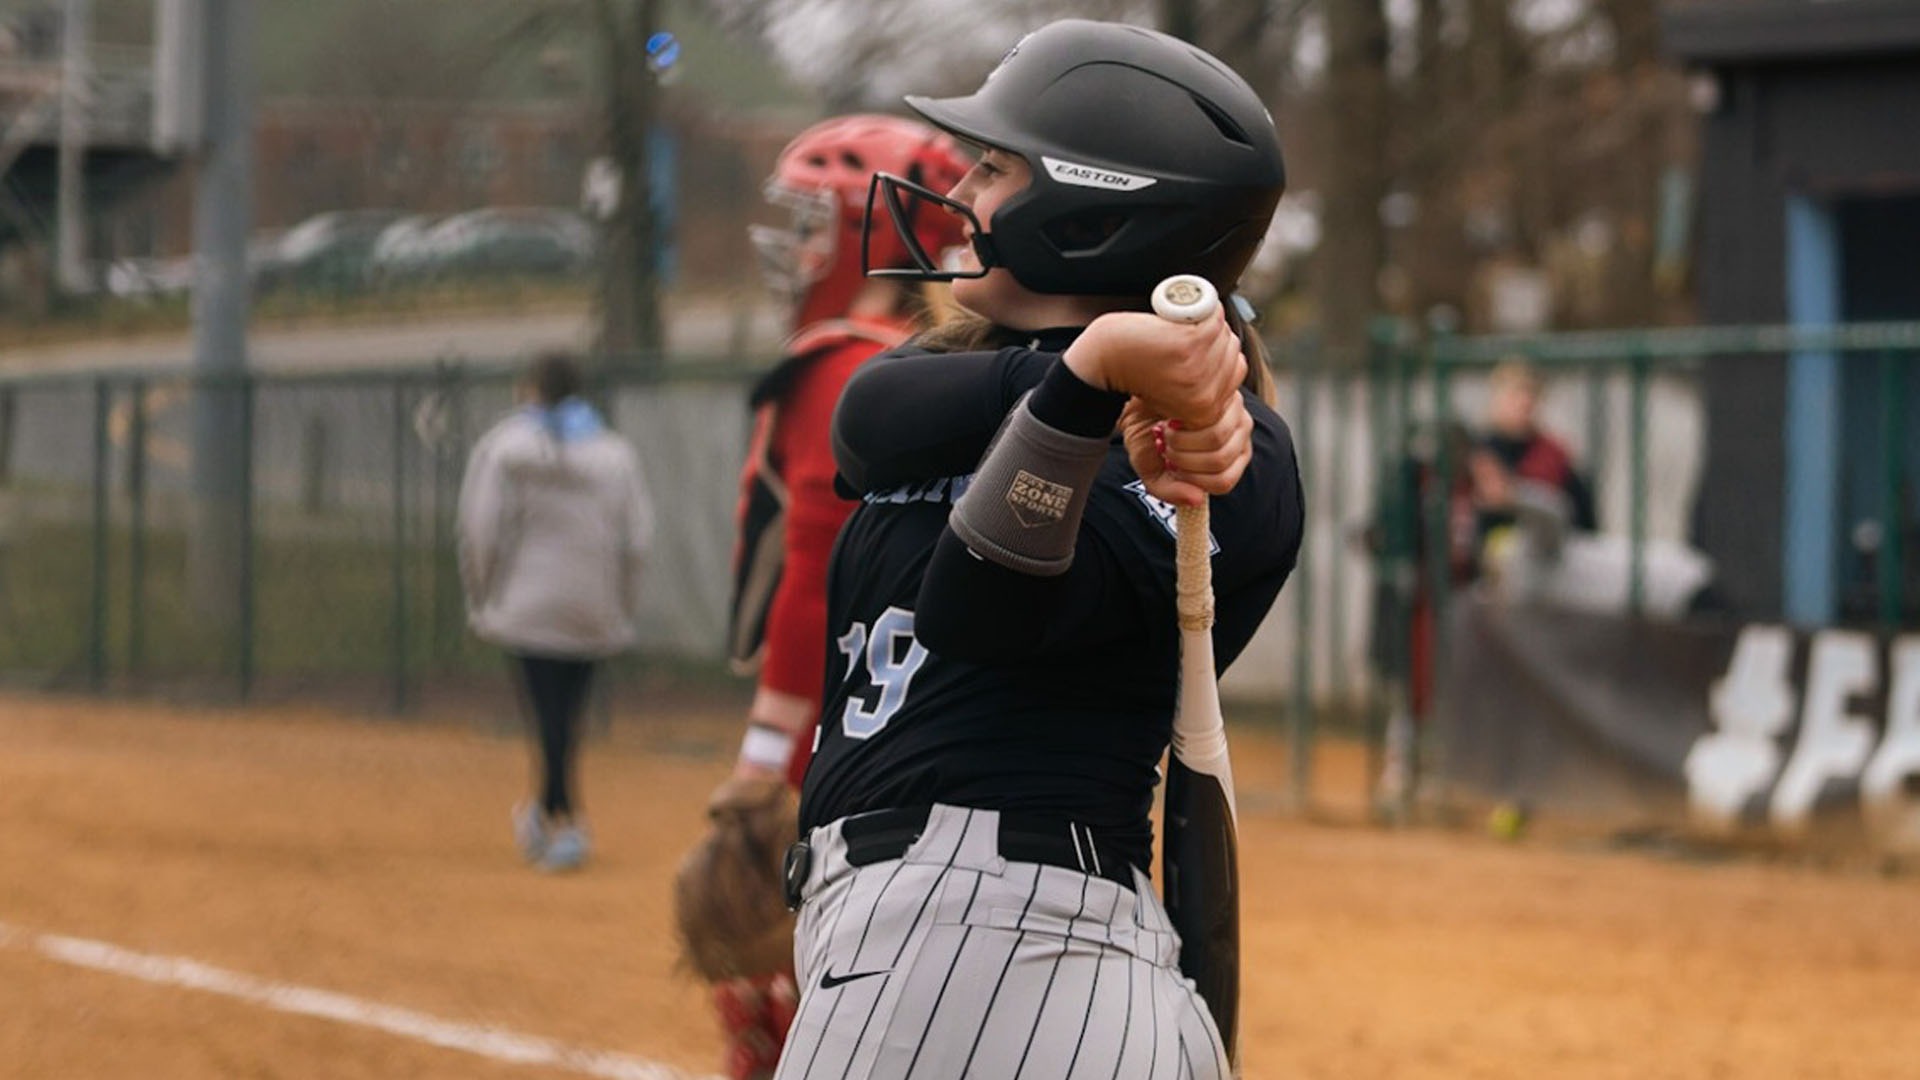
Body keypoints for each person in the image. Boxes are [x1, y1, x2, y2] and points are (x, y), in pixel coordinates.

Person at [775, 20, 1301, 1079]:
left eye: (994, 166)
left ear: (1091, 214)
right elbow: (864, 420)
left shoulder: (1220, 446)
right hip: (959, 948)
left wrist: (1088, 387)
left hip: (996, 947)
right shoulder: (972, 376)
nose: (959, 188)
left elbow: (982, 611)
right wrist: (1077, 373)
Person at [708, 115, 972, 1080]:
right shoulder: (958, 364)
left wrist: (761, 761)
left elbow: (815, 571)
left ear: (879, 230)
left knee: (779, 997)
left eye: (817, 219)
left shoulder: (842, 364)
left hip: (840, 728)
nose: (800, 244)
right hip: (941, 730)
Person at [457, 352, 654, 873]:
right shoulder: (614, 454)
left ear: (531, 388)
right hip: (592, 607)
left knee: (547, 717)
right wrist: (622, 604)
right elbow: (637, 539)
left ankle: (561, 818)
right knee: (565, 717)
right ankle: (551, 815)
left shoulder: (503, 449)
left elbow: (480, 531)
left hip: (528, 605)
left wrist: (483, 595)